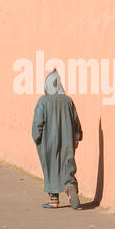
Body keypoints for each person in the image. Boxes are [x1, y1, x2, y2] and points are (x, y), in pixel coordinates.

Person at [31, 69, 83, 209]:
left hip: (48, 142)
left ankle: (53, 199)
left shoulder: (43, 101)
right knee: (67, 163)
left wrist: (37, 138)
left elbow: (37, 123)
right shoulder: (68, 101)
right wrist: (77, 137)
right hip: (68, 140)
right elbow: (75, 121)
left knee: (51, 166)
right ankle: (70, 187)